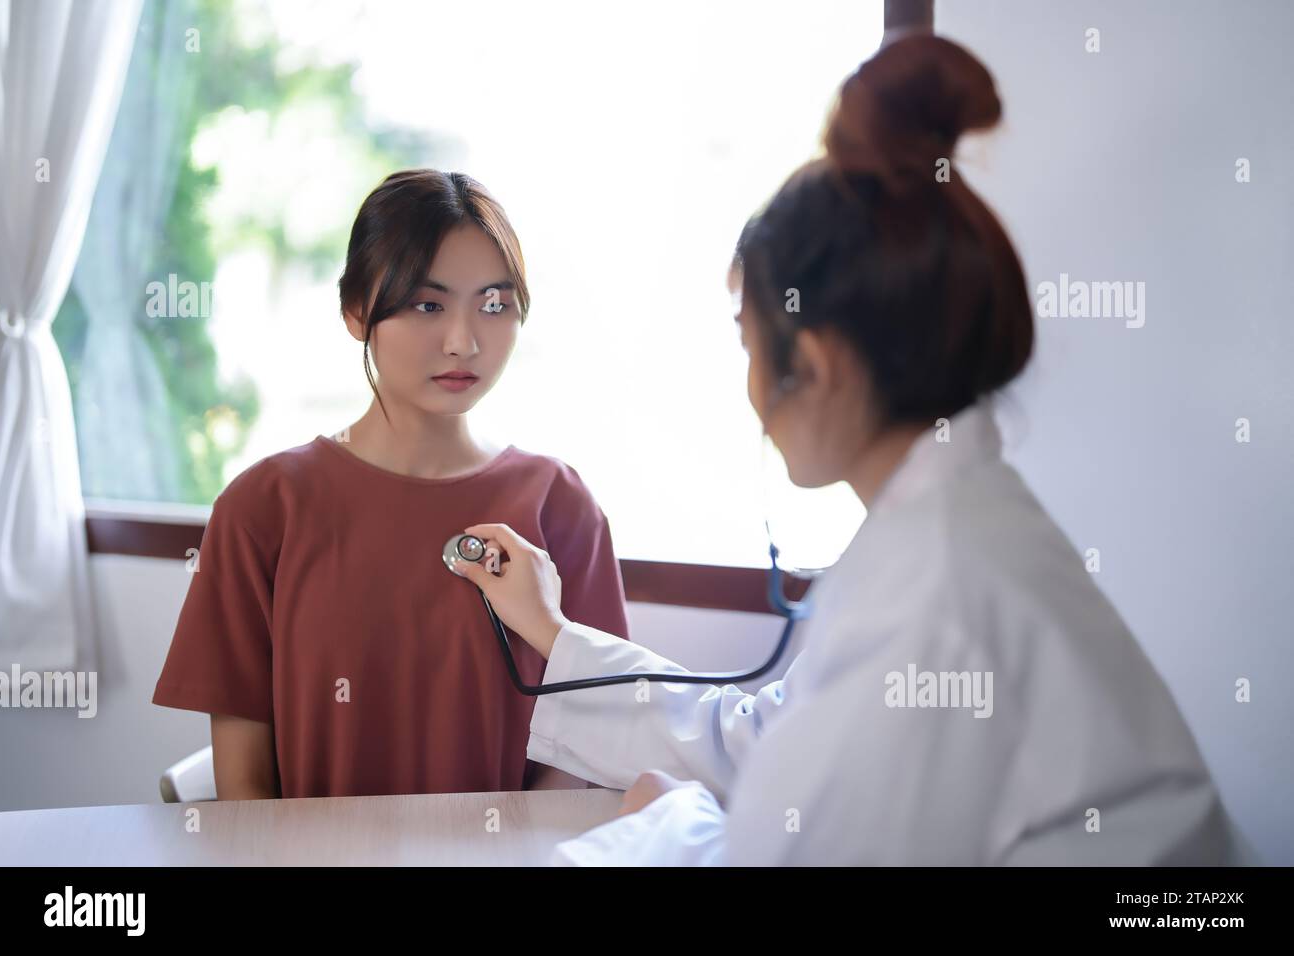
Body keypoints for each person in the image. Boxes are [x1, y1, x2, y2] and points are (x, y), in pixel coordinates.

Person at [454, 36, 1236, 864]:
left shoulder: (935, 589)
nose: (752, 393)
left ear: (816, 366)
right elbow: (763, 736)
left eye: (749, 345)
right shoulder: (952, 530)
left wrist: (671, 817)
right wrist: (555, 631)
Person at [152, 170, 629, 799]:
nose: (464, 342)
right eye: (427, 305)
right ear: (355, 312)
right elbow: (242, 791)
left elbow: (590, 747)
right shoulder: (263, 510)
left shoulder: (559, 506)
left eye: (493, 305)